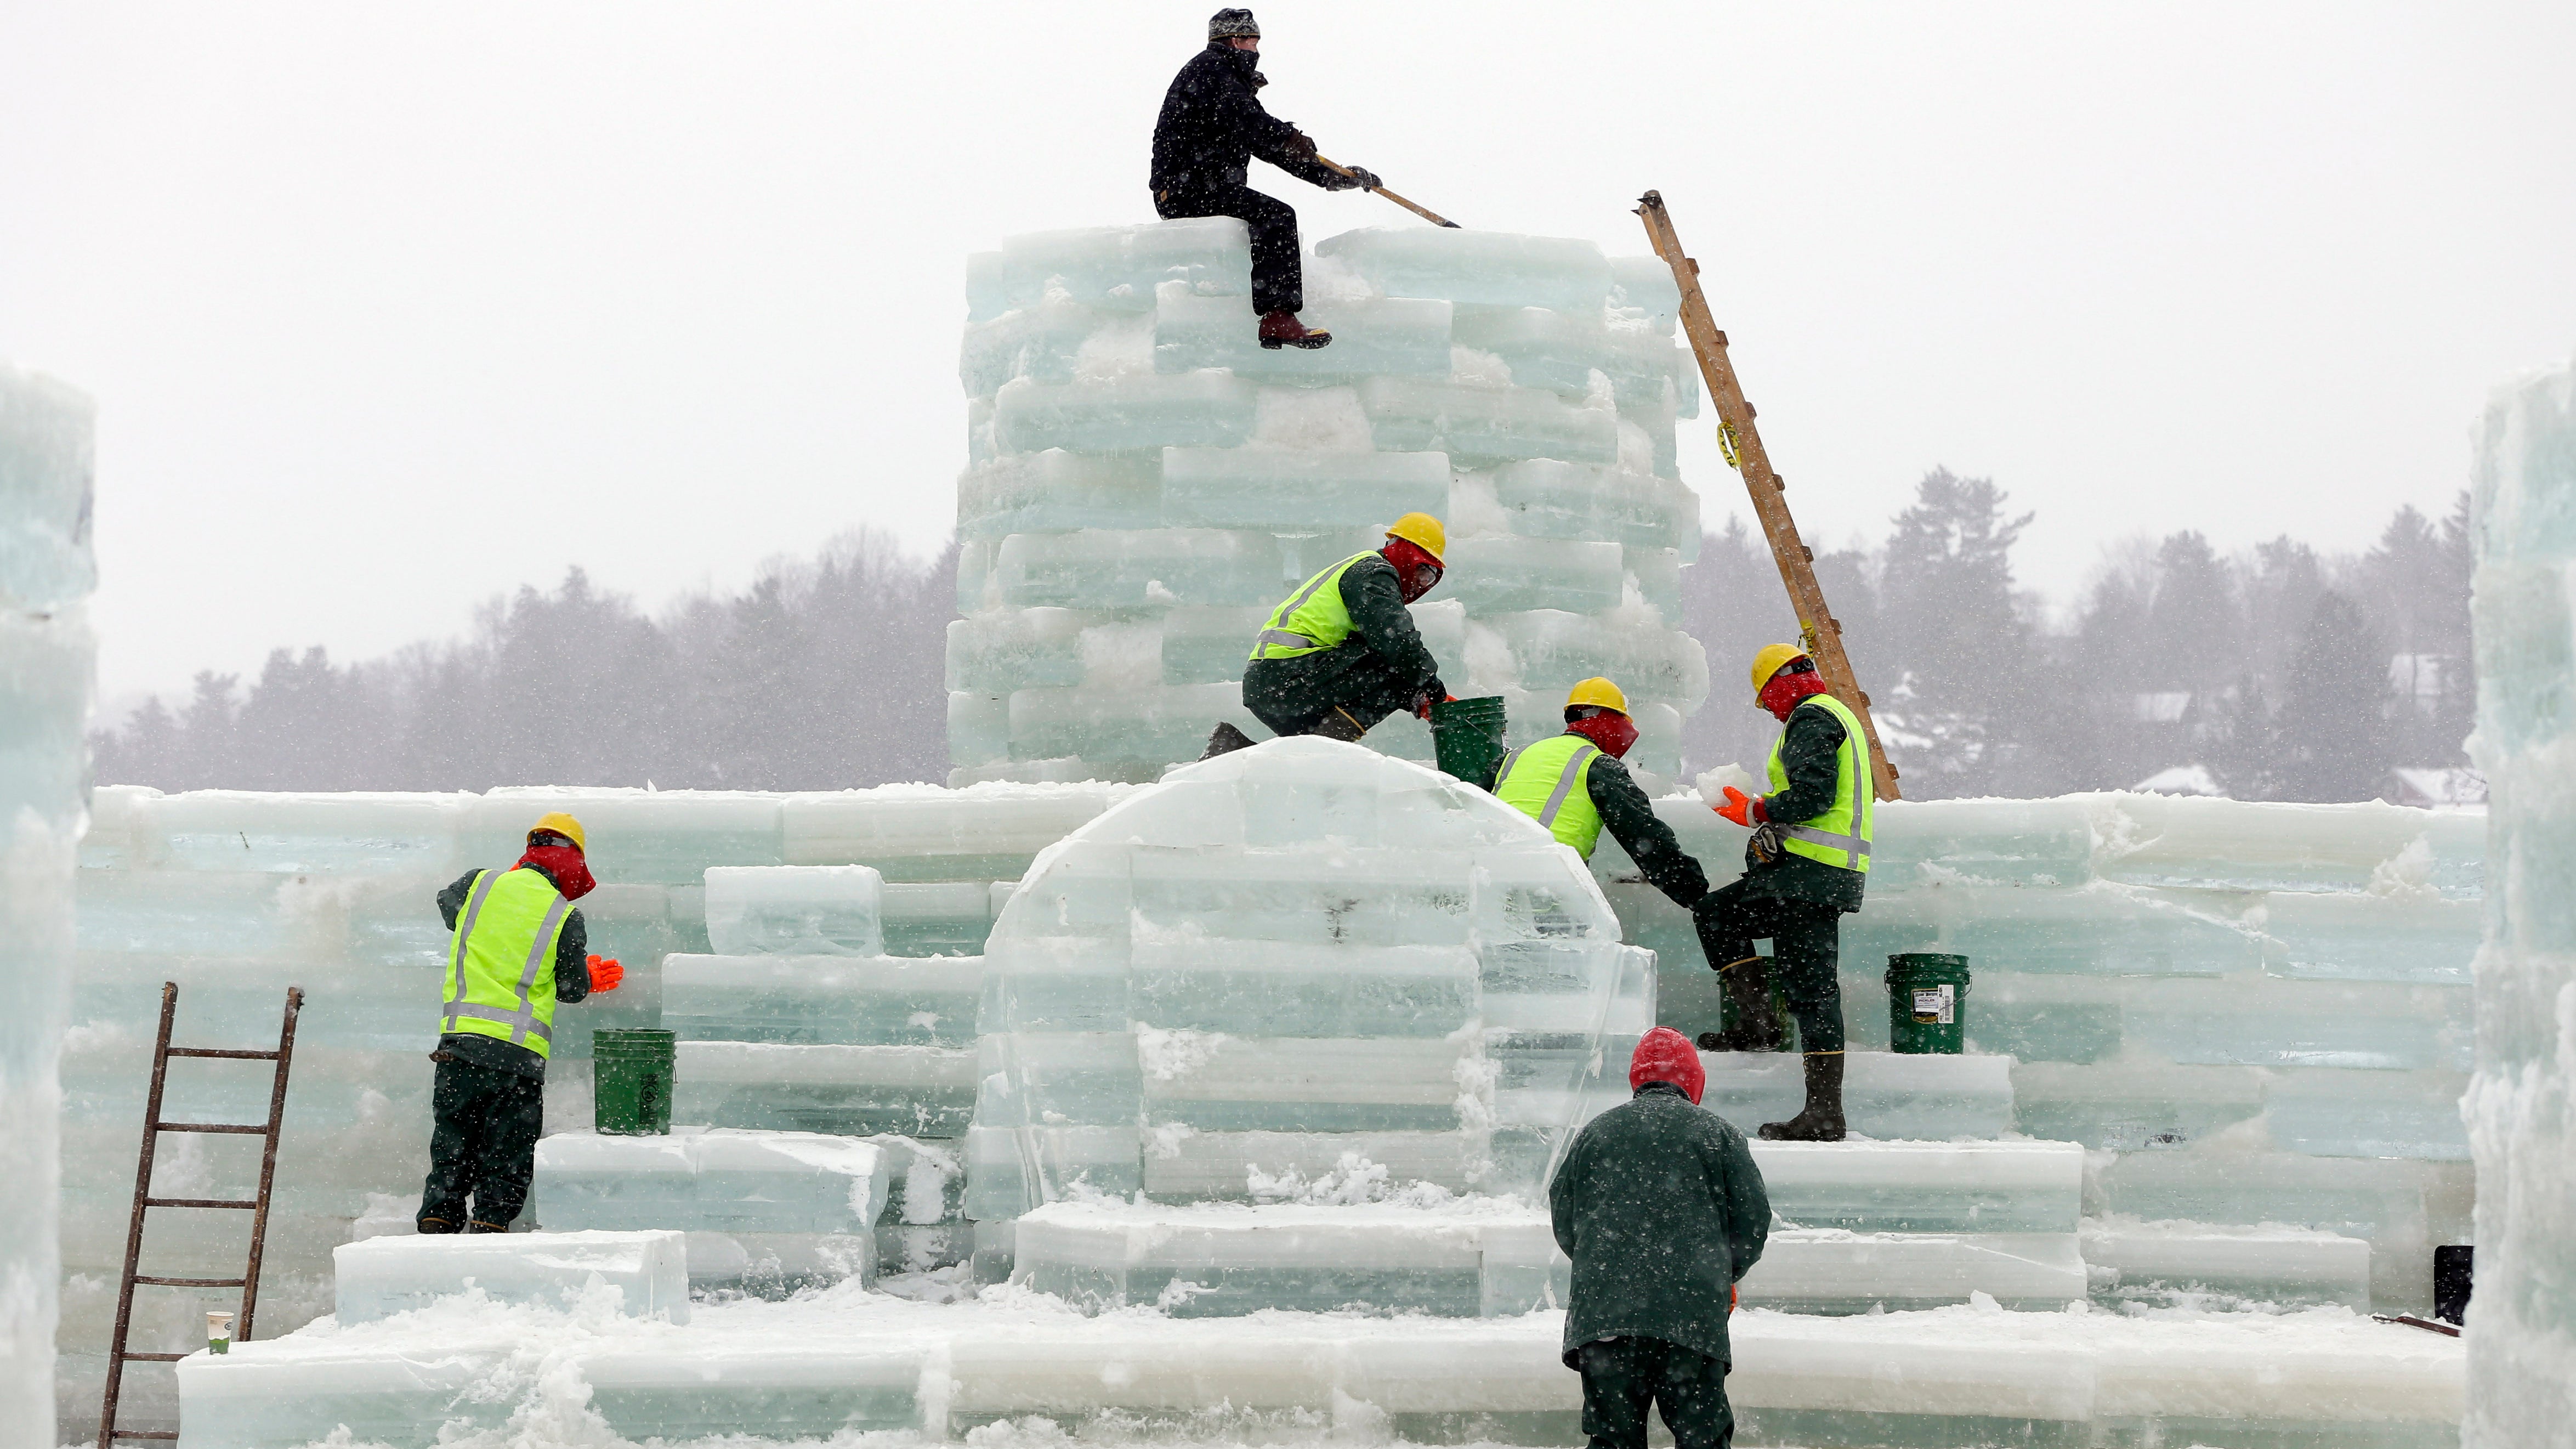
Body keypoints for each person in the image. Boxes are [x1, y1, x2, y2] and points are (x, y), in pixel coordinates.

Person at [1550, 1027, 1771, 1449]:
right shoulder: (1716, 1134)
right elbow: (1752, 1221)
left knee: (1613, 1439)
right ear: (1694, 1080)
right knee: (1702, 1438)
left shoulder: (1595, 1134)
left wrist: (1608, 1264)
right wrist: (1720, 1274)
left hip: (1606, 1320)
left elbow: (1565, 1217)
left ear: (1636, 1079)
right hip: (1689, 1319)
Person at [1694, 645, 1876, 1141]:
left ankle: (1761, 1028)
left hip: (1808, 877)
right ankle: (1823, 1110)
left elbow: (1813, 797)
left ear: (1778, 684)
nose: (1770, 711)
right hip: (1821, 874)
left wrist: (1755, 812)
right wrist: (1772, 836)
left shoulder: (1811, 717)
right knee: (1812, 988)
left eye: (1765, 700)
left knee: (1717, 916)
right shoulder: (1837, 715)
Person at [416, 812, 623, 1233]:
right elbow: (568, 987)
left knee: (452, 1147)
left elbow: (448, 906)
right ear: (575, 865)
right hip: (516, 1061)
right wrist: (586, 976)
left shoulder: (479, 883)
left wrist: (507, 887)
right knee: (506, 1158)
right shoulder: (565, 916)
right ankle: (490, 1230)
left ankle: (437, 1226)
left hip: (459, 1050)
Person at [1150, 8, 1382, 350]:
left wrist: (1335, 178)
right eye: (1249, 41)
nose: (1254, 50)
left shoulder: (1226, 84)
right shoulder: (1212, 70)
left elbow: (1268, 146)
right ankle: (1278, 318)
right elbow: (1252, 121)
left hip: (1206, 187)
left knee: (1271, 212)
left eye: (1256, 41)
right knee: (1276, 215)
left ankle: (1278, 316)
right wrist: (1288, 136)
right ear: (1231, 41)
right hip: (1186, 189)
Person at [1206, 512, 1449, 755]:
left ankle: (1232, 749)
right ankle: (1319, 757)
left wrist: (1416, 695)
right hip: (1286, 678)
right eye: (1423, 572)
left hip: (1275, 683)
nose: (1421, 583)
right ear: (1406, 554)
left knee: (1398, 677)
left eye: (1430, 579)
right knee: (1392, 667)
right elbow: (1397, 642)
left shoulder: (1363, 570)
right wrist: (1432, 687)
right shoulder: (1373, 573)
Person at [1484, 678, 1711, 915]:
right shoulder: (1597, 765)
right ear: (1611, 721)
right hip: (1548, 890)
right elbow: (1645, 835)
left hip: (1489, 883)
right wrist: (1696, 894)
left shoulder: (1515, 756)